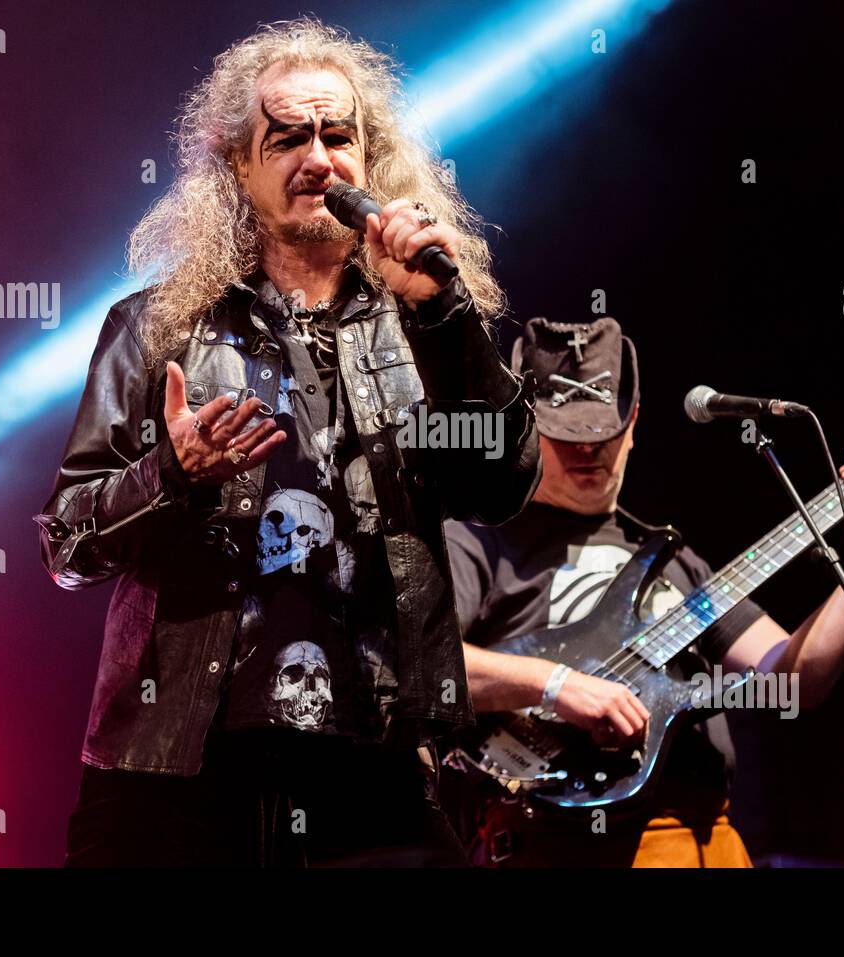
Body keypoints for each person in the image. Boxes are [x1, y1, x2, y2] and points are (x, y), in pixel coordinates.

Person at [33, 18, 540, 867]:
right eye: (287, 137)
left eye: (337, 135)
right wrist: (174, 473)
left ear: (367, 155)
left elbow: (502, 486)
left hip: (373, 762)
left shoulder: (424, 319)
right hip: (176, 775)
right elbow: (64, 542)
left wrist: (442, 318)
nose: (318, 157)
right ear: (239, 163)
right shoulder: (156, 329)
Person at [444, 316, 844, 867]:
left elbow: (797, 677)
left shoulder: (674, 560)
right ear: (524, 429)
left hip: (701, 844)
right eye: (566, 434)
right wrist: (554, 684)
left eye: (605, 432)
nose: (588, 452)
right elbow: (423, 669)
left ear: (635, 422)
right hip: (553, 842)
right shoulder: (477, 539)